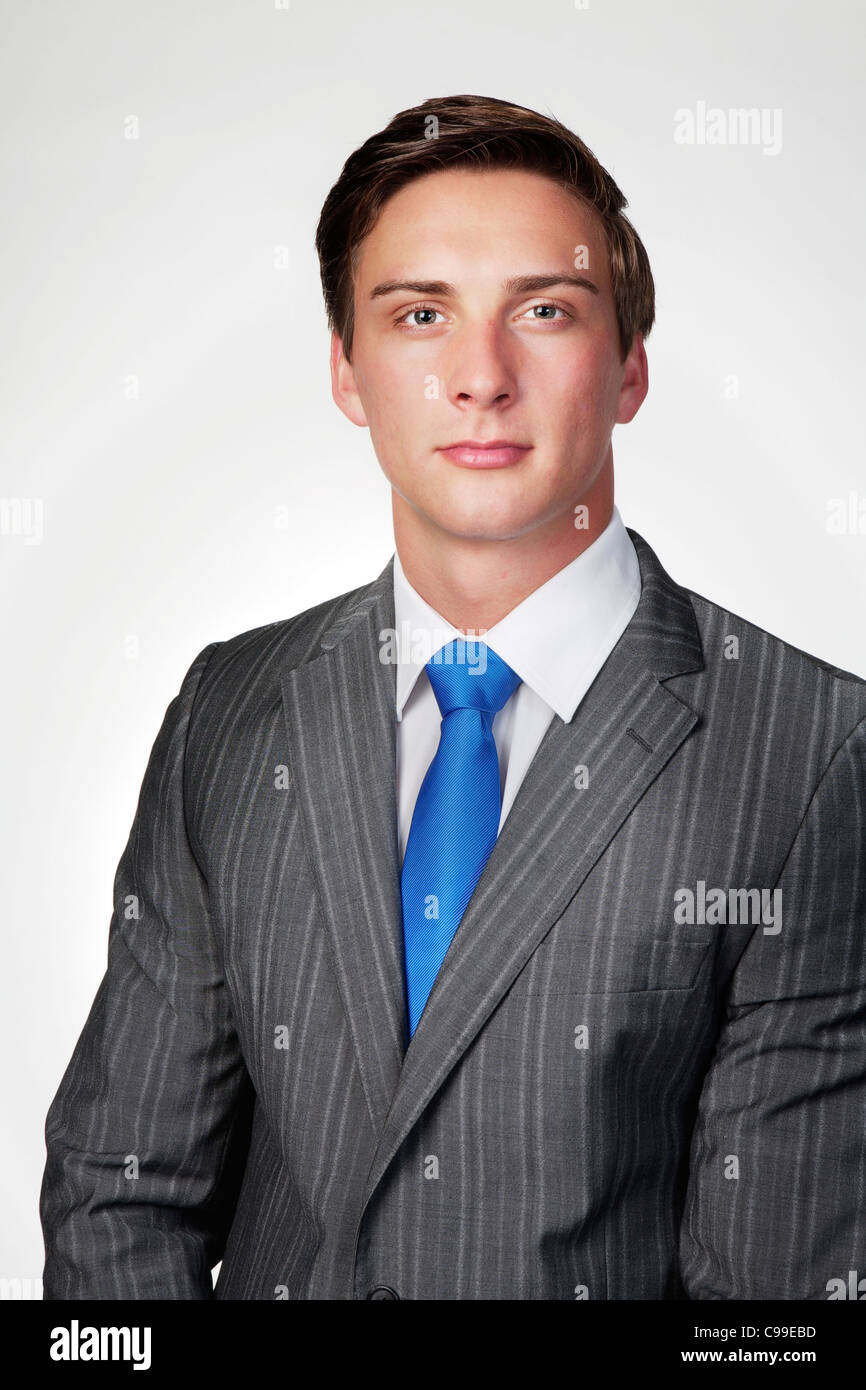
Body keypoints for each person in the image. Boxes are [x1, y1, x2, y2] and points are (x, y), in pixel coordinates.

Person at [40, 93, 866, 1300]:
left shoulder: (808, 749)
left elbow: (775, 1307)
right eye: (419, 314)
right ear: (347, 370)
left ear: (628, 366)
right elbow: (123, 1192)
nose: (479, 377)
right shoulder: (232, 706)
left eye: (543, 310)